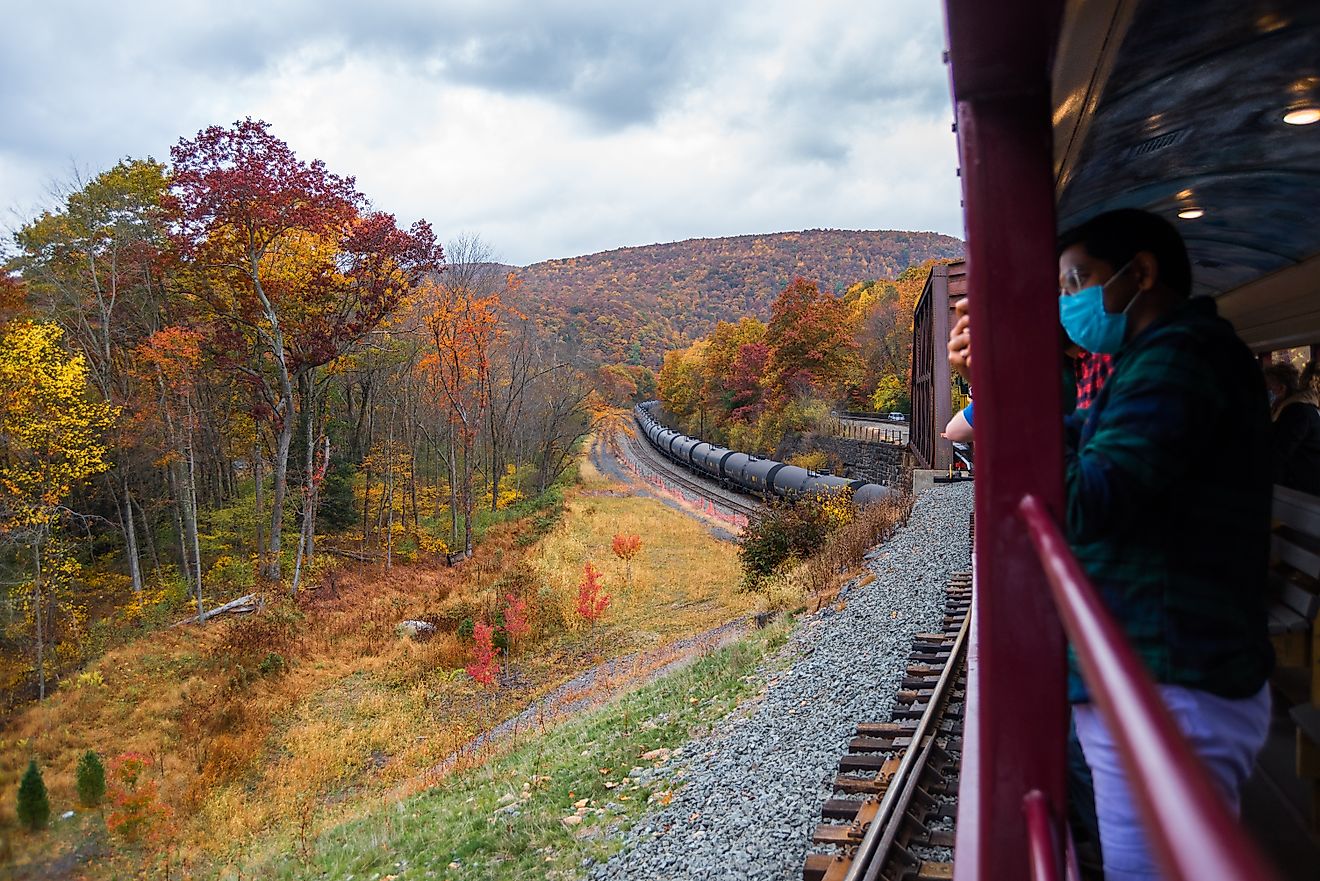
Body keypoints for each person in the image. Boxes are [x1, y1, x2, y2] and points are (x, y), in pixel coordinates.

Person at [956, 208, 1275, 881]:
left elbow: (1083, 500)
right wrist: (1000, 383)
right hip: (1160, 669)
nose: (1068, 301)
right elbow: (1071, 441)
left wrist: (1008, 386)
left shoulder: (1179, 360)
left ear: (1141, 273)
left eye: (1077, 281)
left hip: (1170, 679)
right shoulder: (1151, 360)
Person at [1263, 361, 1320, 495]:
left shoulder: (1296, 412)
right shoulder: (1296, 408)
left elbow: (1279, 452)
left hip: (1301, 490)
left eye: (1269, 388)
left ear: (1281, 389)